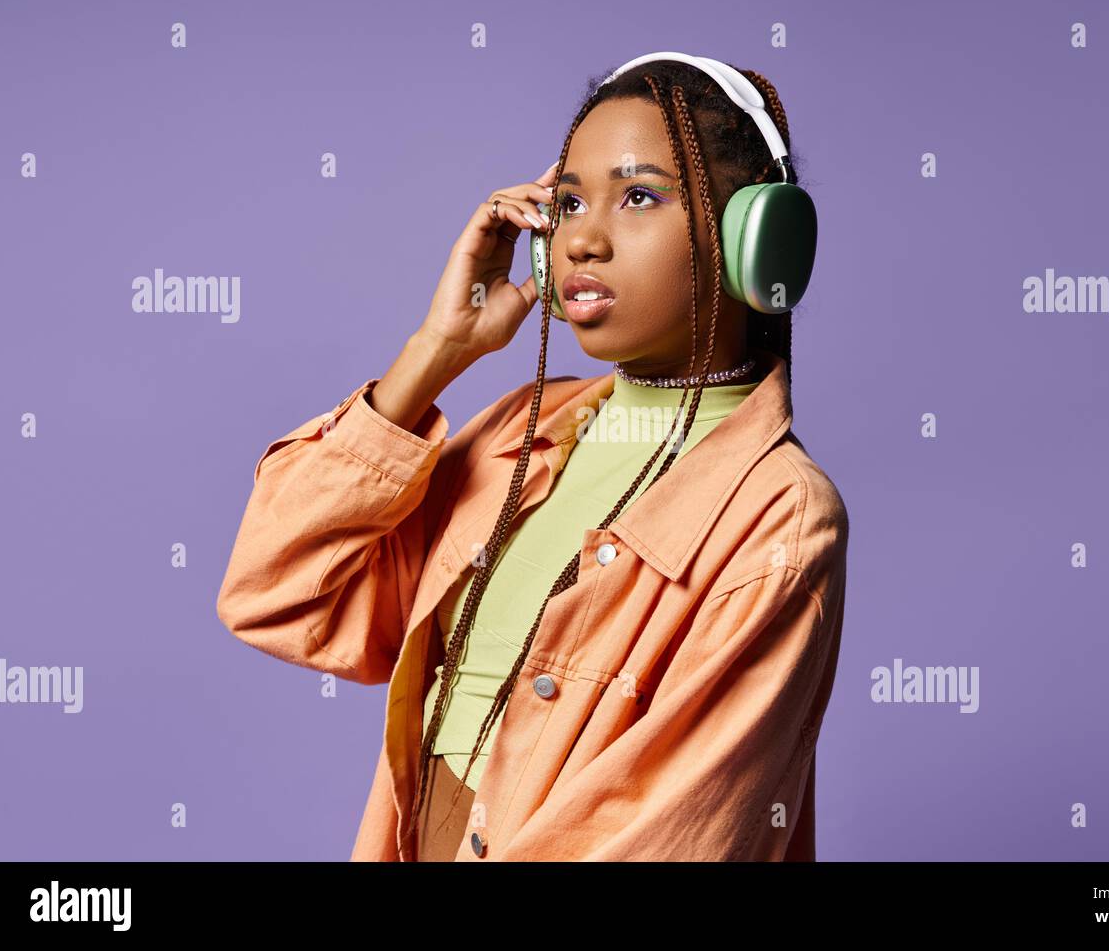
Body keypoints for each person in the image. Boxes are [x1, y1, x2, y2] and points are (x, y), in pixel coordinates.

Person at [216, 52, 849, 861]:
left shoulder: (780, 516)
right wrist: (437, 351)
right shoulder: (522, 433)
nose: (581, 237)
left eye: (639, 196)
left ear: (755, 241)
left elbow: (670, 835)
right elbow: (277, 595)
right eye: (571, 201)